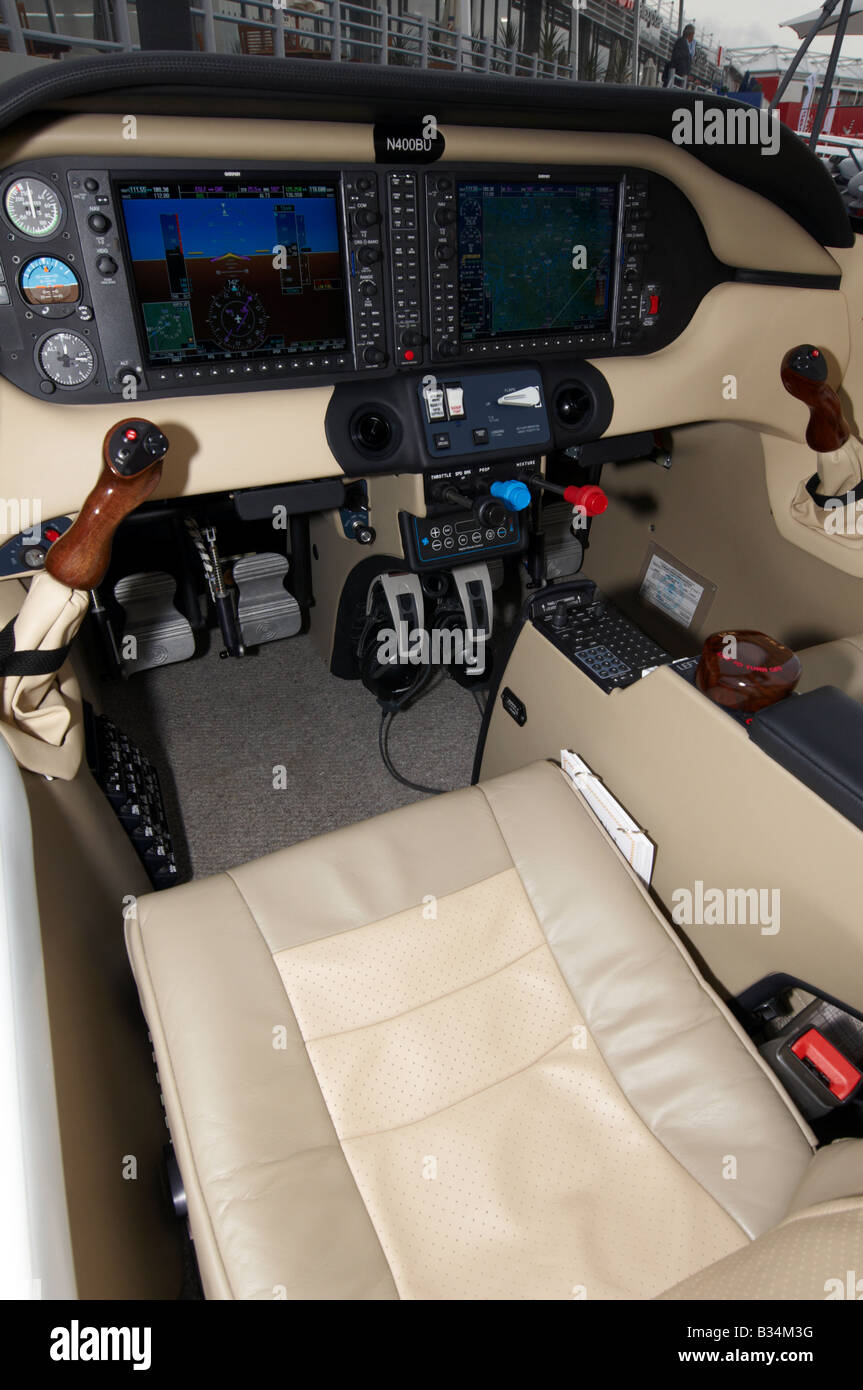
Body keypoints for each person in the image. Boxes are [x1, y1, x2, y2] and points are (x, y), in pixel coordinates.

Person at [663, 23, 696, 89]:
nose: (693, 37)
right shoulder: (682, 42)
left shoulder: (685, 44)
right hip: (677, 78)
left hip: (680, 78)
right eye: (693, 34)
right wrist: (684, 74)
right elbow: (679, 59)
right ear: (690, 34)